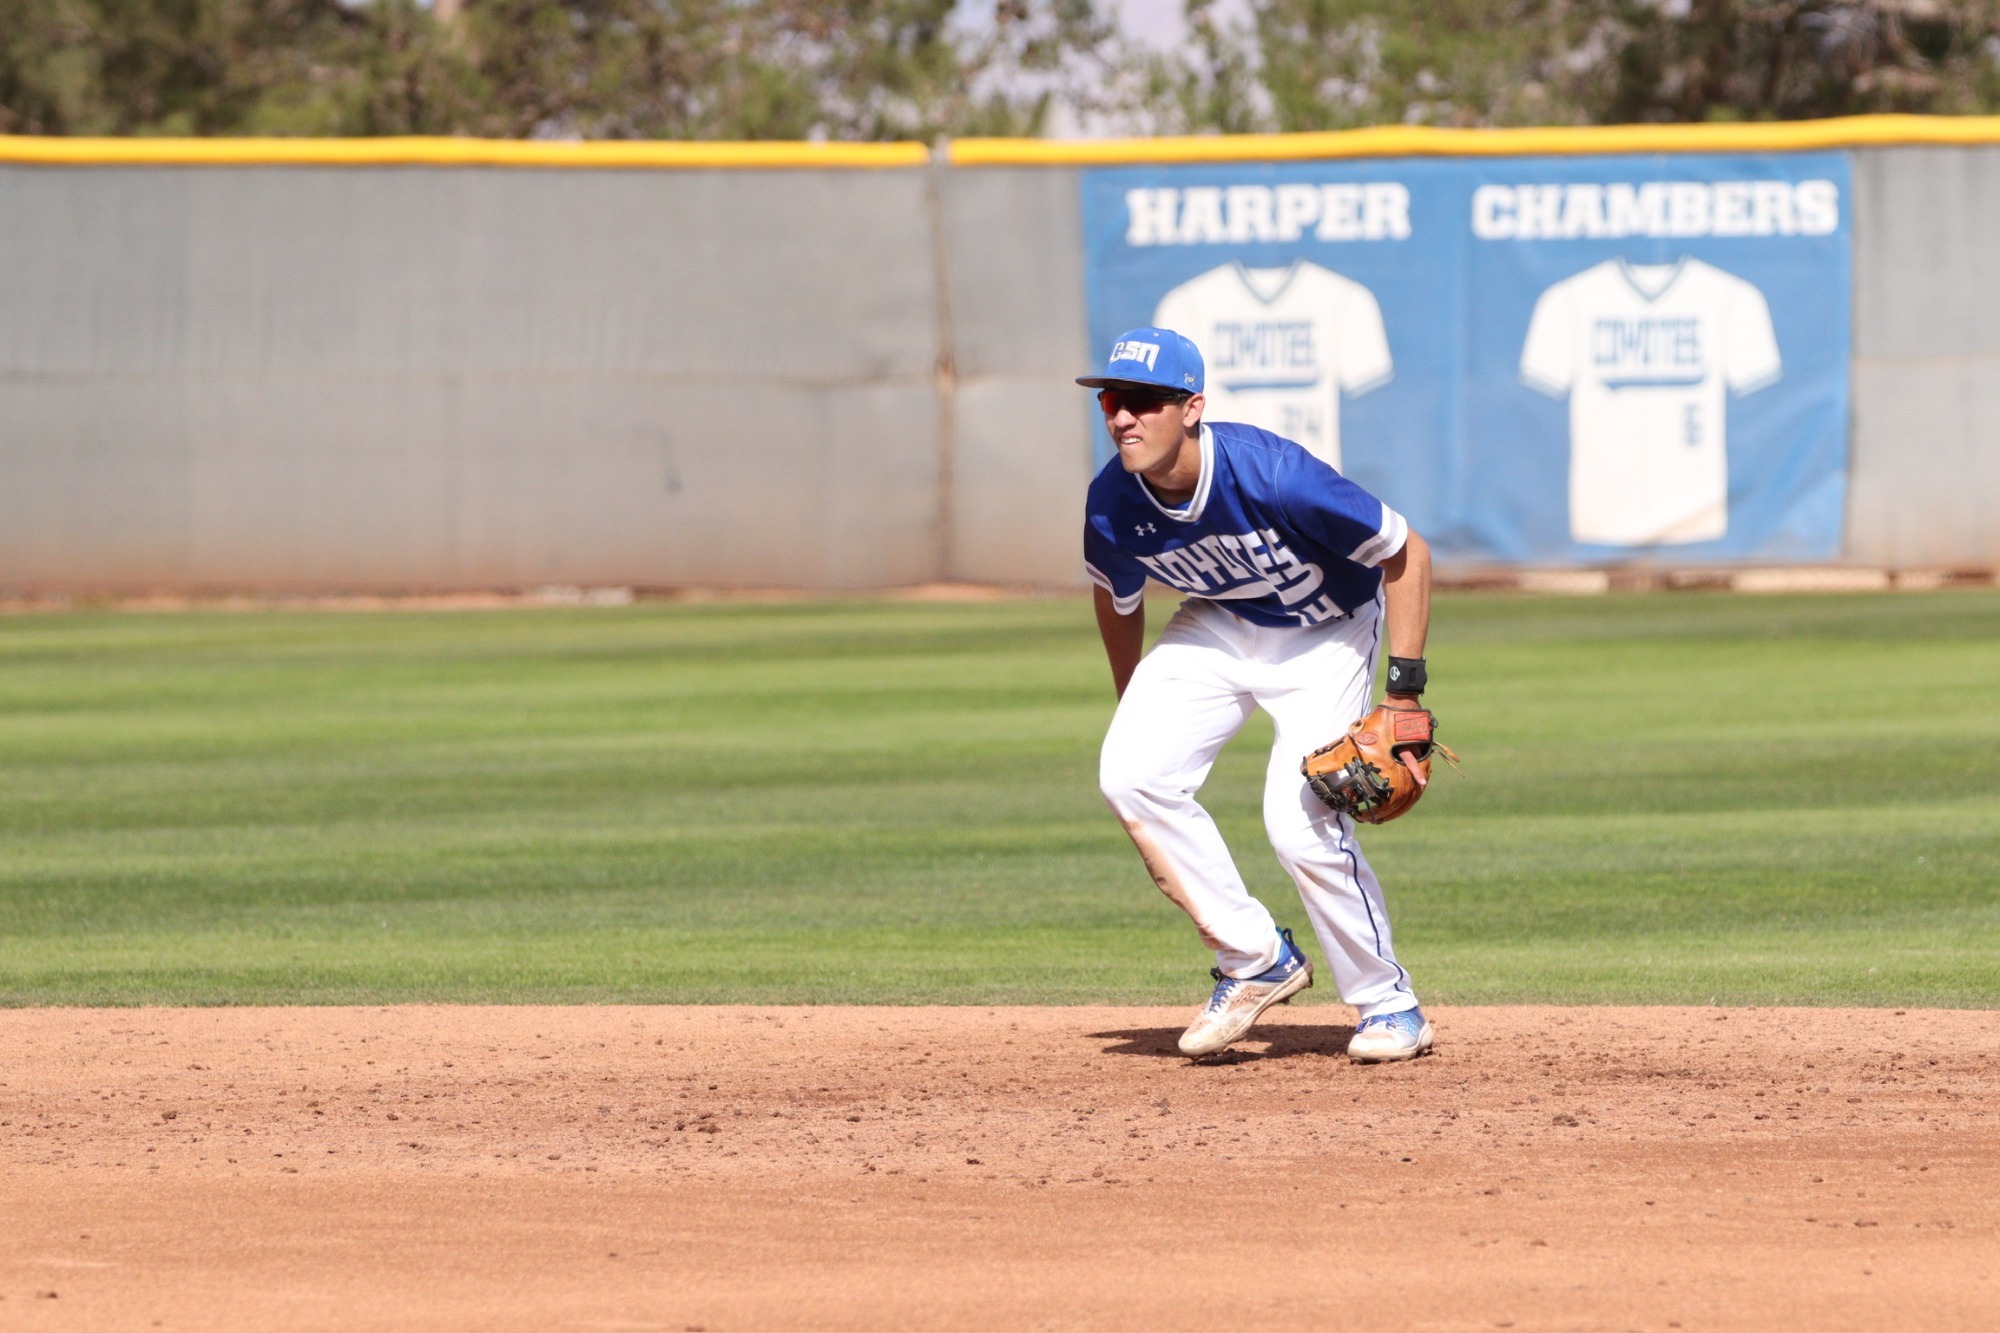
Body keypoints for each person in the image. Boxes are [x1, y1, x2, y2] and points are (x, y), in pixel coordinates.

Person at [1078, 326, 1437, 1063]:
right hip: (1219, 622)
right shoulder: (1112, 503)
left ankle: (1389, 1003)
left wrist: (1403, 692)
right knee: (1132, 771)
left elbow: (1405, 550)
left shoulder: (1273, 474)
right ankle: (1255, 959)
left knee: (1297, 817)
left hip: (1327, 631)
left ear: (1193, 407)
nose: (1122, 417)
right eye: (1113, 399)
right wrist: (1134, 704)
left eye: (1144, 401)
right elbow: (1116, 599)